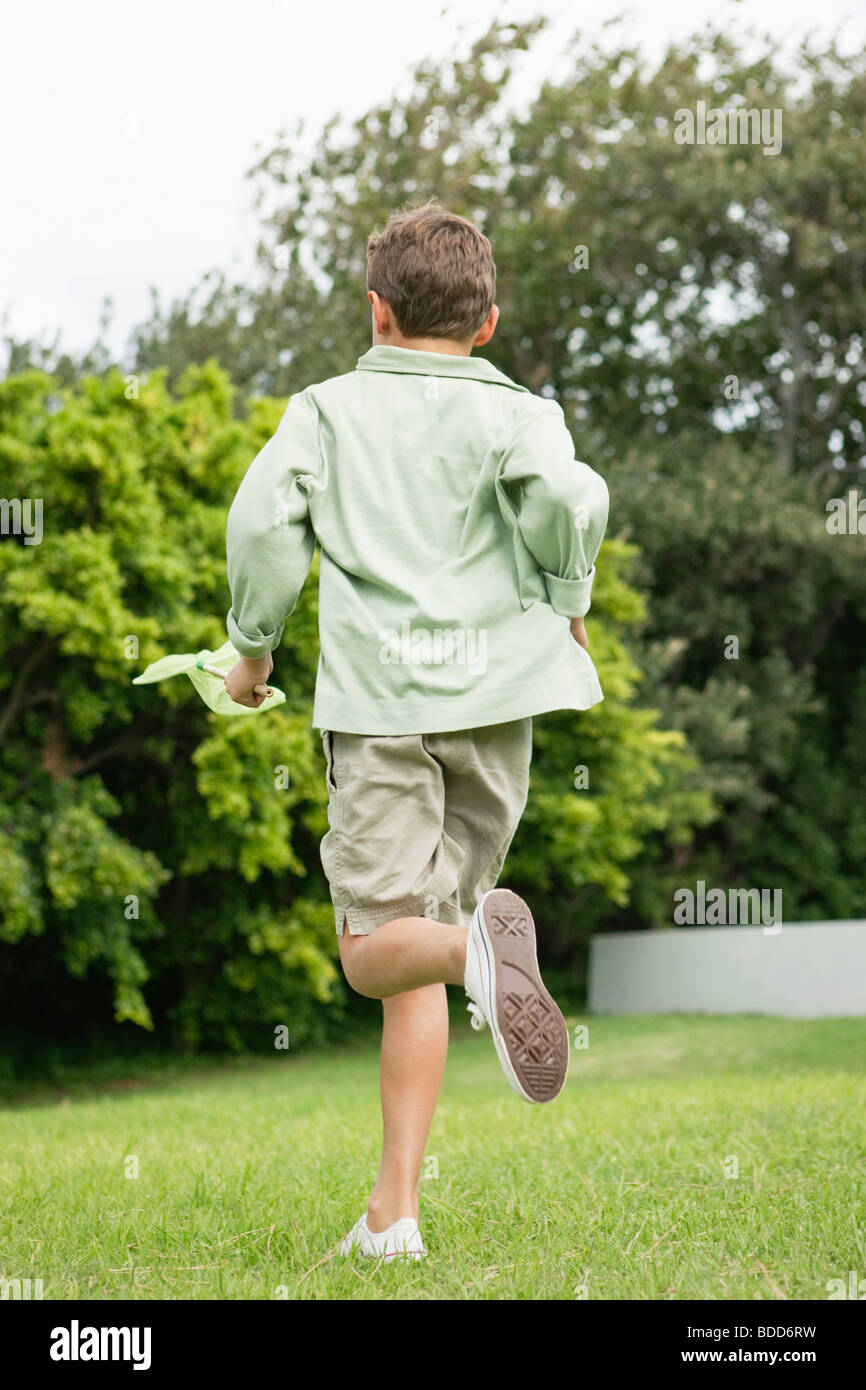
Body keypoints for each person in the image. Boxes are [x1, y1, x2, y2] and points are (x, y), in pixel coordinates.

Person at [224, 201, 609, 1261]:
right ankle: (392, 1216)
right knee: (419, 948)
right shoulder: (525, 415)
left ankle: (474, 950)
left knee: (374, 951)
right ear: (487, 323)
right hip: (496, 710)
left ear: (376, 312)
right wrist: (570, 594)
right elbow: (568, 499)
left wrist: (250, 648)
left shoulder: (326, 409)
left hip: (385, 708)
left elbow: (262, 523)